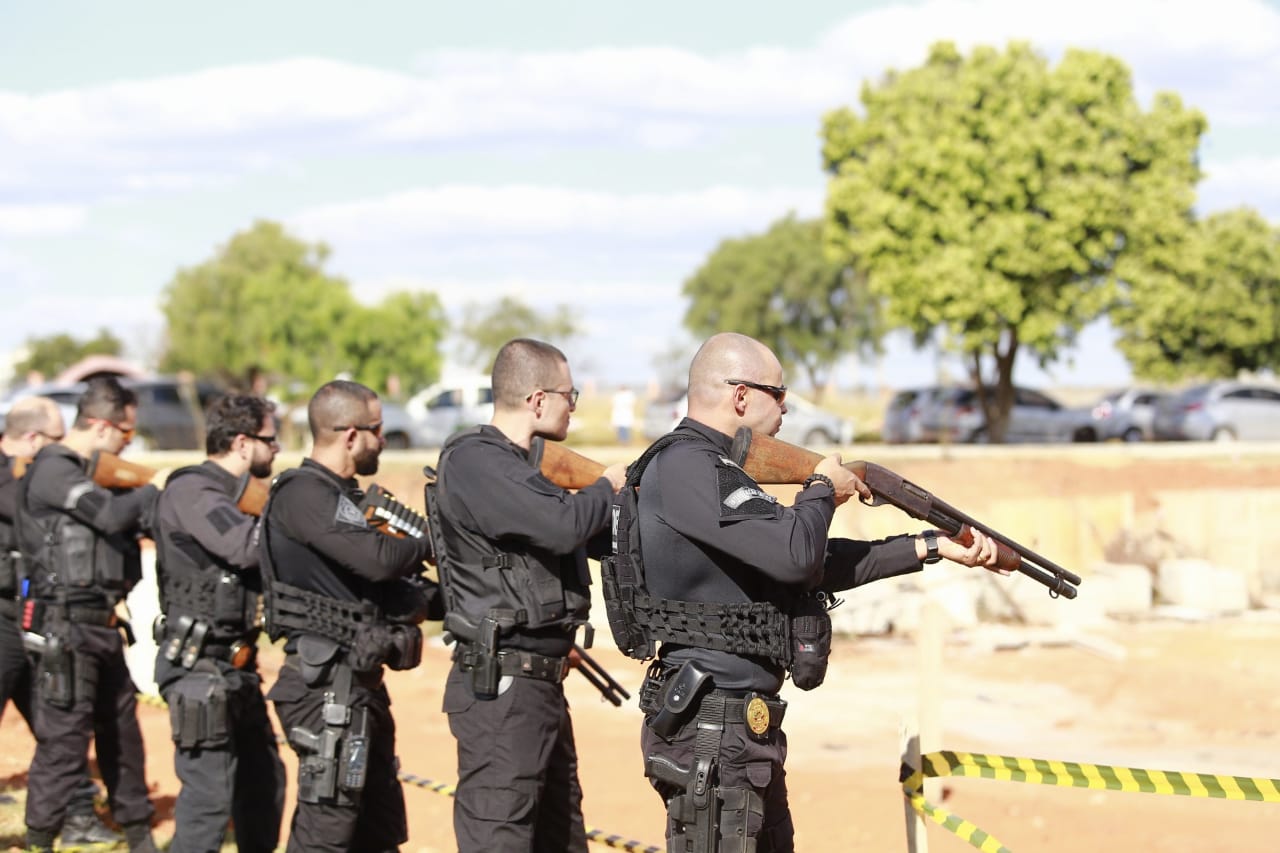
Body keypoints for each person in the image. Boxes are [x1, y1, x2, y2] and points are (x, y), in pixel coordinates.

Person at [623, 332, 1004, 852]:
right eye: (778, 393)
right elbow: (796, 553)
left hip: (738, 727)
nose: (785, 407)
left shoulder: (715, 470)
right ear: (740, 396)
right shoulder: (688, 465)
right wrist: (822, 488)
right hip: (713, 727)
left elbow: (809, 563)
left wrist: (927, 546)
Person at [427, 338, 626, 852]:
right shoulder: (476, 460)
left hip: (537, 686)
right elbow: (563, 526)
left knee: (561, 836)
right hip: (503, 690)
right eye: (569, 394)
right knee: (501, 836)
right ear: (538, 400)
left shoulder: (519, 469)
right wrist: (606, 486)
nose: (574, 405)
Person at [260, 379, 437, 853]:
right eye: (377, 429)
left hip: (358, 684)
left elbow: (388, 582)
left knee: (378, 831)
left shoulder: (343, 498)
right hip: (324, 689)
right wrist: (434, 543)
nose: (384, 439)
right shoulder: (302, 493)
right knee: (327, 833)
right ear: (351, 435)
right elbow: (379, 559)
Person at [15, 377, 162, 853]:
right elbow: (110, 516)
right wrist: (150, 490)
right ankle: (39, 841)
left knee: (123, 736)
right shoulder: (53, 470)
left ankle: (138, 834)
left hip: (102, 624)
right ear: (100, 426)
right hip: (64, 625)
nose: (128, 442)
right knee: (64, 741)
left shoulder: (89, 473)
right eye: (125, 432)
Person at [152, 394, 286, 853]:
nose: (277, 448)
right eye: (271, 439)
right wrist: (294, 520)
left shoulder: (234, 494)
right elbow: (244, 547)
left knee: (264, 785)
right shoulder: (193, 490)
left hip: (238, 668)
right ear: (243, 443)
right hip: (199, 668)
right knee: (208, 803)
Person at [0, 396, 117, 846]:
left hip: (34, 614)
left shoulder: (34, 473)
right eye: (56, 438)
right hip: (5, 619)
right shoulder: (24, 478)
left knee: (59, 724)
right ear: (33, 438)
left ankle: (77, 815)